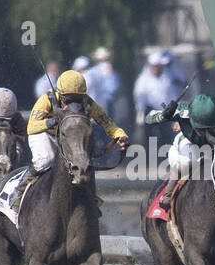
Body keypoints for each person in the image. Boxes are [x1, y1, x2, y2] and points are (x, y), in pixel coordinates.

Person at [17, 69, 128, 198]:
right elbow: (31, 127)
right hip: (45, 134)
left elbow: (107, 123)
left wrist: (120, 135)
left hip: (68, 137)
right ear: (61, 96)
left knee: (83, 163)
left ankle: (92, 200)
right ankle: (19, 190)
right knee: (46, 160)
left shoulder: (88, 102)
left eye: (78, 99)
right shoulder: (47, 100)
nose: (74, 104)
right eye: (69, 100)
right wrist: (53, 121)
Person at [144, 93, 215, 211]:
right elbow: (148, 117)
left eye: (206, 128)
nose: (202, 132)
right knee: (189, 161)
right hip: (186, 141)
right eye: (198, 128)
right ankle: (167, 196)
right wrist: (162, 116)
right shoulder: (182, 110)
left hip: (212, 147)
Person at [133, 51, 173, 144]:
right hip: (150, 112)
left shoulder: (166, 77)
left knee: (166, 137)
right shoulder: (143, 80)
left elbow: (170, 94)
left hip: (165, 112)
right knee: (150, 139)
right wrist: (140, 113)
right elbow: (139, 96)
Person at [85, 46, 121, 123]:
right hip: (107, 103)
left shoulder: (92, 71)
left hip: (96, 103)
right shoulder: (111, 71)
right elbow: (114, 87)